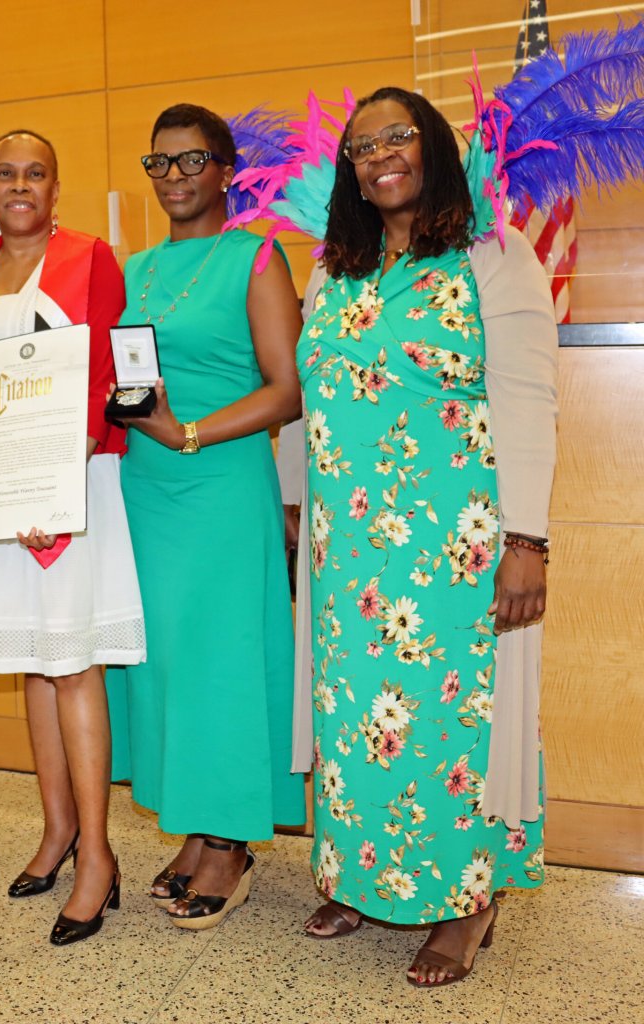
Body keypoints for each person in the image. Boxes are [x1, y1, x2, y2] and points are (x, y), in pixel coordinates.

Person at [290, 87, 557, 986]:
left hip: (453, 549)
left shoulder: (493, 256)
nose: (381, 156)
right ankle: (365, 878)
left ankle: (467, 900)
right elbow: (313, 397)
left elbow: (529, 401)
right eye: (362, 147)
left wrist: (528, 540)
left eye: (398, 137)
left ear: (435, 146)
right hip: (347, 552)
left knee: (448, 723)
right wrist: (292, 507)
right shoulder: (333, 270)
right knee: (355, 719)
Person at [0, 129, 146, 946]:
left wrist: (52, 481)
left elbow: (106, 376)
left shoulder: (90, 258)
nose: (19, 185)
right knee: (32, 656)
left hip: (68, 489)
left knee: (73, 662)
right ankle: (57, 830)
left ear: (56, 189)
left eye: (35, 174)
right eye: (5, 173)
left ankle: (98, 854)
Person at [104, 103, 306, 930]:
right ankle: (193, 825)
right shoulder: (134, 267)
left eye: (192, 161)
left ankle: (228, 844)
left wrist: (187, 431)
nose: (174, 177)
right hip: (144, 491)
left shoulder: (256, 256)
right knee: (165, 665)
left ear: (227, 171)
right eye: (159, 162)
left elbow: (288, 388)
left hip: (218, 485)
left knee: (219, 662)